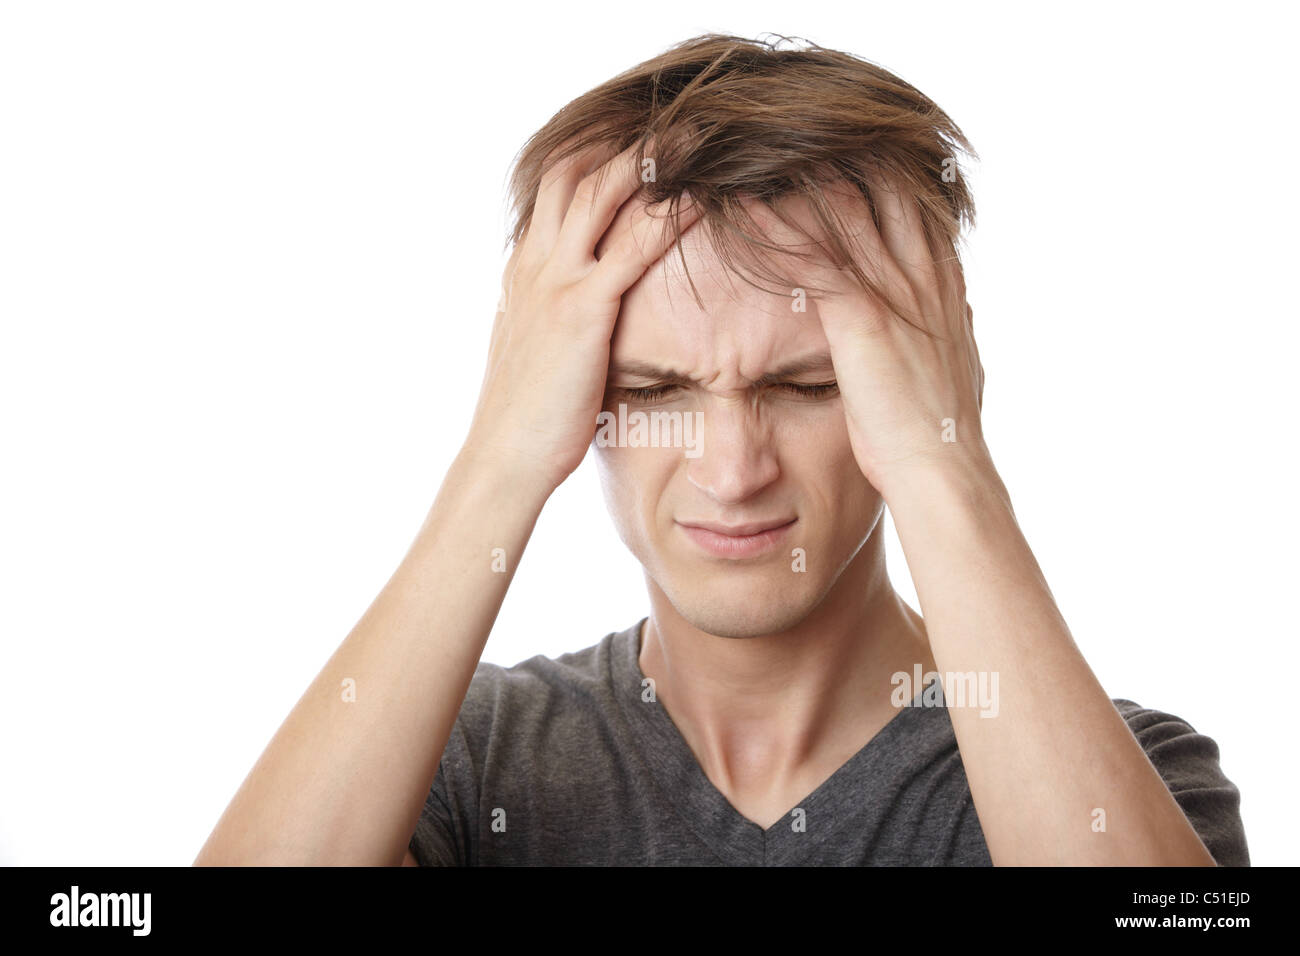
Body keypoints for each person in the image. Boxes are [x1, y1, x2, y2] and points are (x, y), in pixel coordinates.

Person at [194, 33, 1248, 867]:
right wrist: (498, 459)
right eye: (650, 390)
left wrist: (943, 463)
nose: (733, 469)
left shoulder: (1131, 771)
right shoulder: (466, 759)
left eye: (807, 387)